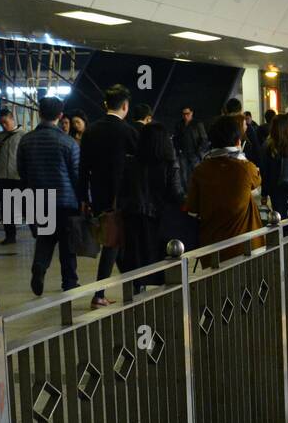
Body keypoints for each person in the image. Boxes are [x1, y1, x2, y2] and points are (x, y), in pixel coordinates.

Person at [79, 84, 138, 309]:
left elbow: (83, 168)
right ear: (125, 106)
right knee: (114, 244)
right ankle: (100, 294)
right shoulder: (128, 131)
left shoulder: (91, 131)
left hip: (100, 196)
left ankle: (131, 286)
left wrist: (83, 197)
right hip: (124, 197)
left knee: (116, 242)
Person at [17, 96, 82, 295]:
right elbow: (76, 174)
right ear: (60, 115)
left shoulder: (26, 141)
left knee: (45, 239)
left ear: (39, 113)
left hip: (39, 200)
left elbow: (22, 171)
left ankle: (39, 267)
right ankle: (69, 281)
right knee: (67, 244)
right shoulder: (68, 142)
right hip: (65, 201)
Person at [184, 113, 262, 264]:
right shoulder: (246, 169)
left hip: (212, 250)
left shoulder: (200, 170)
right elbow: (256, 187)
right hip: (244, 249)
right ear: (238, 141)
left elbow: (193, 211)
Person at [119, 114, 182, 286]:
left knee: (136, 266)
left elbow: (123, 191)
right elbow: (176, 192)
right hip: (161, 220)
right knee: (162, 264)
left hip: (134, 218)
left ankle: (136, 301)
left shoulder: (131, 163)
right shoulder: (170, 163)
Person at [0, 108, 25, 244]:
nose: (4, 126)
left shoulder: (23, 135)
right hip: (3, 177)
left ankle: (37, 232)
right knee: (6, 208)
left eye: (5, 122)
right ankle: (10, 236)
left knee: (25, 205)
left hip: (18, 177)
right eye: (1, 123)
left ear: (12, 118)